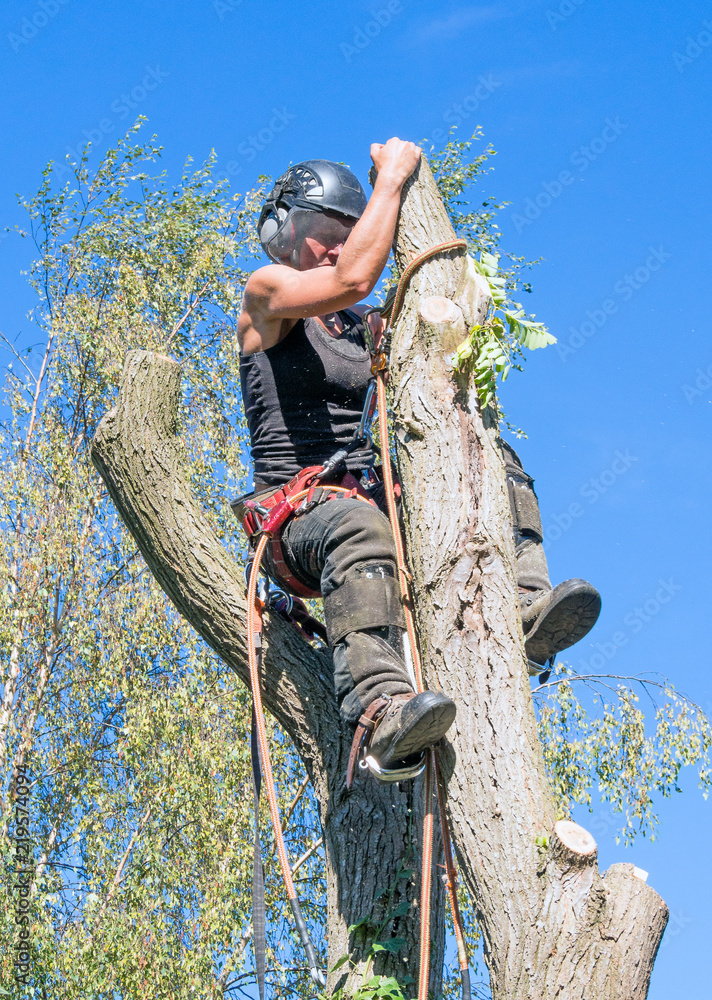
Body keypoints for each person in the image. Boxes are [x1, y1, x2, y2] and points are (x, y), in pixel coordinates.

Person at [236, 138, 601, 776]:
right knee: (358, 526)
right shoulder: (267, 295)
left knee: (494, 453)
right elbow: (354, 276)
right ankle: (379, 712)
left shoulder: (367, 327)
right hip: (303, 518)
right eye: (322, 233)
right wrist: (393, 182)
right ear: (285, 233)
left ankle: (524, 603)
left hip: (376, 502)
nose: (334, 247)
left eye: (345, 234)